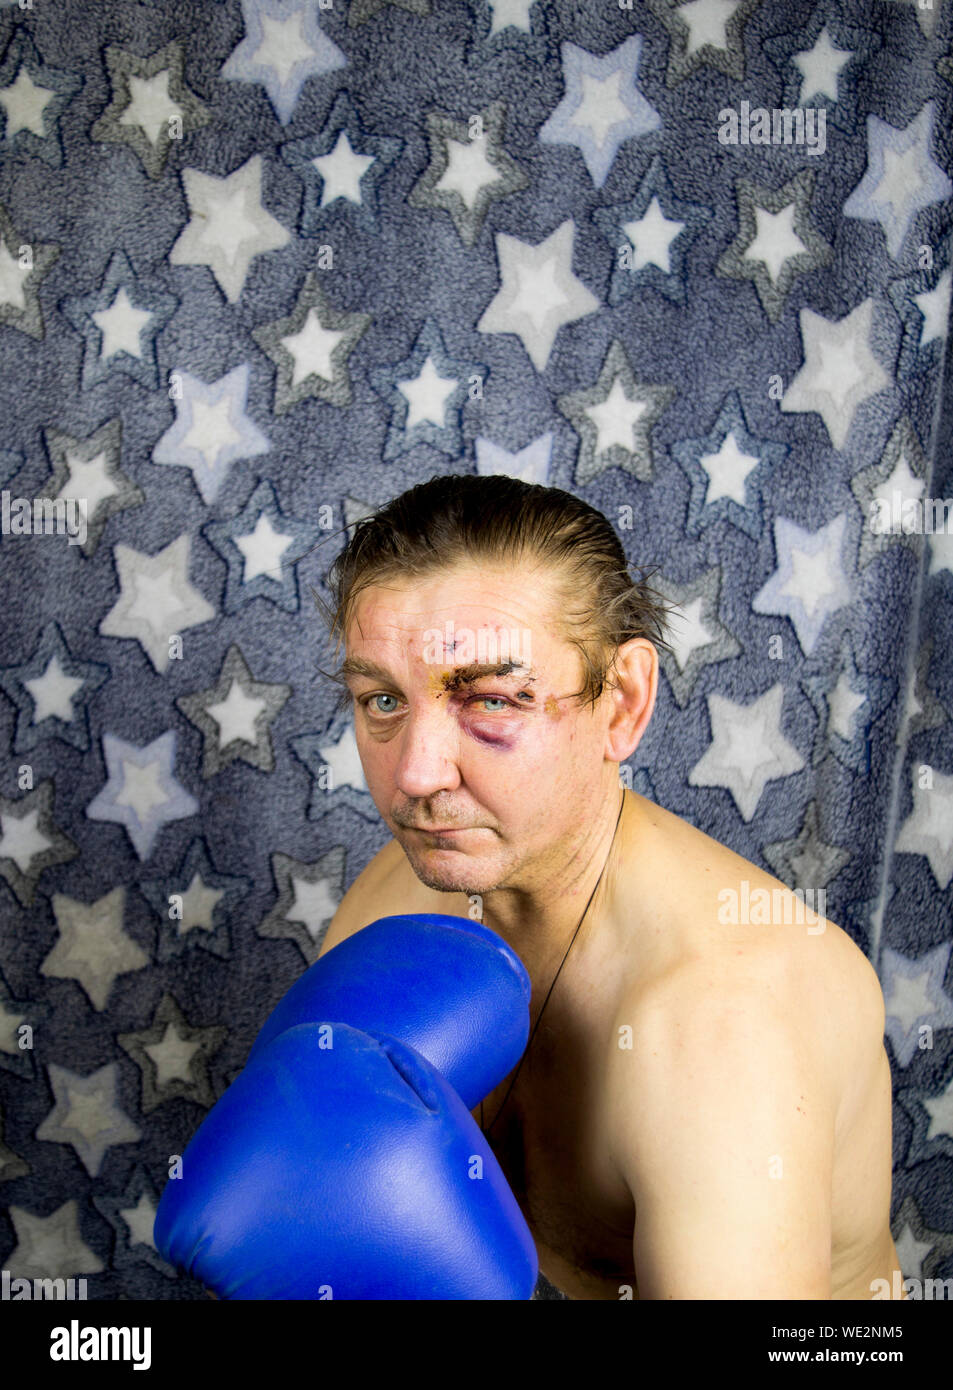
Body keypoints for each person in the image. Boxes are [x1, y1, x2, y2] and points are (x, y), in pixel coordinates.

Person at [313, 472, 905, 1300]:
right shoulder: (399, 898)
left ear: (621, 702)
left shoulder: (720, 1029)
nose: (414, 774)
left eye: (489, 699)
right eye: (382, 699)